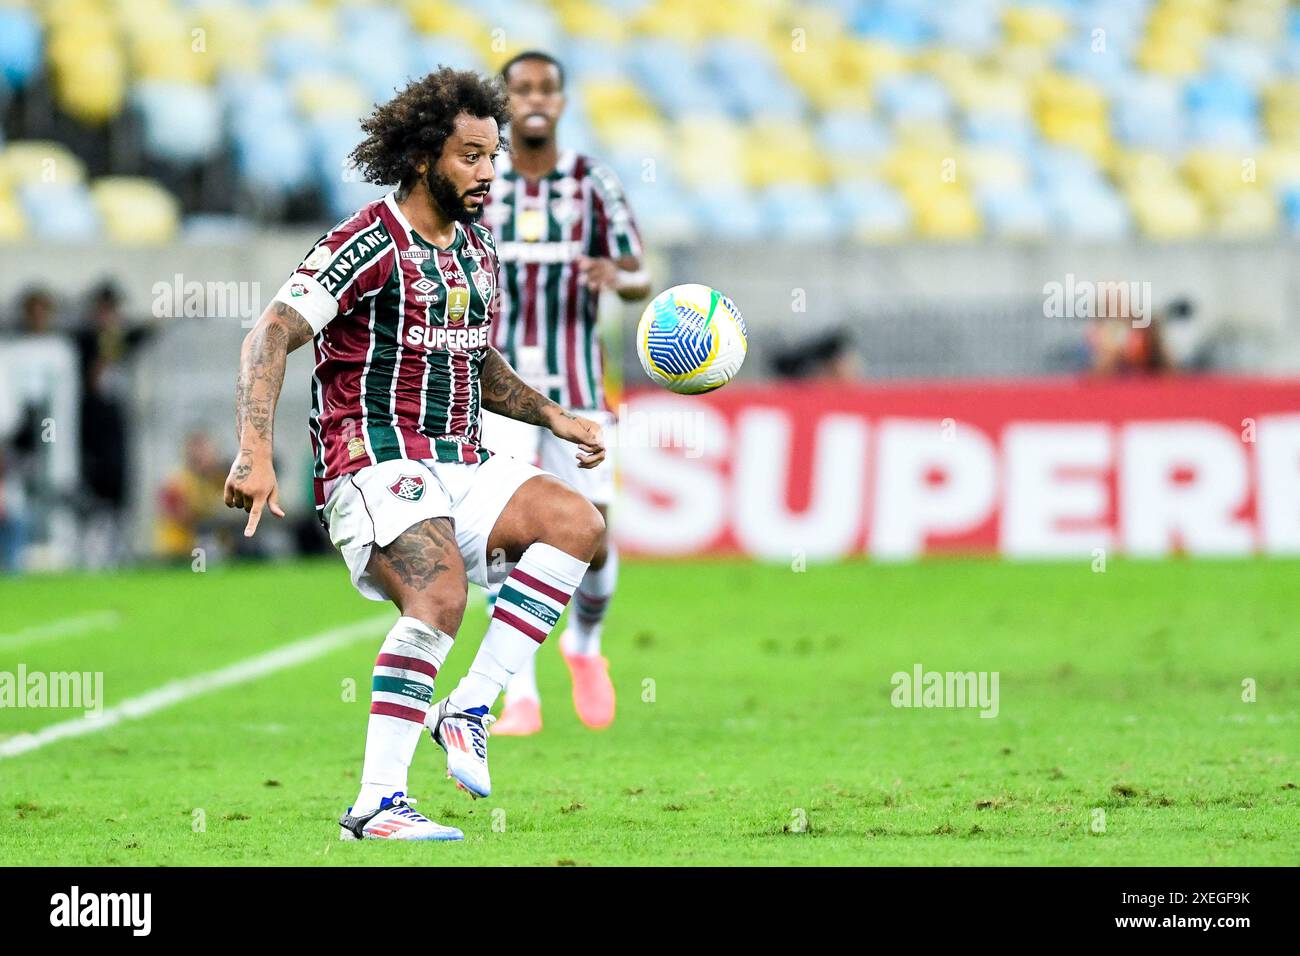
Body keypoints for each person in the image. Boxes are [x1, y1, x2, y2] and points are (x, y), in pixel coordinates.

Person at [223, 68, 606, 842]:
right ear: (425, 154)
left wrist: (553, 415)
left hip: (459, 457)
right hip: (371, 457)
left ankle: (468, 705)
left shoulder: (477, 250)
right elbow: (270, 330)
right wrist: (253, 450)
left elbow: (475, 358)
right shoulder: (365, 243)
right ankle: (376, 805)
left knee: (577, 524)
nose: (489, 173)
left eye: (493, 156)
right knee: (439, 598)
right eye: (471, 156)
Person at [479, 50, 651, 736]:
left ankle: (584, 646)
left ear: (562, 98)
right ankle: (518, 691)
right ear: (504, 100)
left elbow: (639, 271)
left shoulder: (590, 182)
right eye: (521, 88)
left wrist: (618, 274)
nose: (535, 98)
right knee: (506, 539)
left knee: (594, 534)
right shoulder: (481, 179)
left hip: (578, 383)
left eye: (547, 86)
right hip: (496, 388)